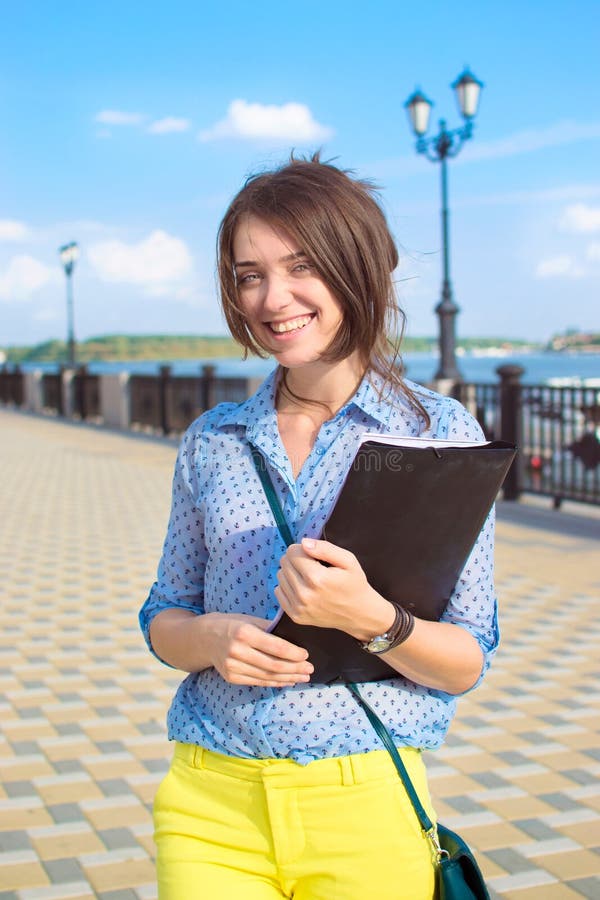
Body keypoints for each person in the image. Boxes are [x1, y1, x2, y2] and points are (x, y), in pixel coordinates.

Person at [139, 154, 498, 900]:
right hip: (211, 798)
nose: (273, 298)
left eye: (301, 267)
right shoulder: (216, 438)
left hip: (363, 803)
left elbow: (465, 660)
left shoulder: (440, 435)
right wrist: (212, 638)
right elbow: (163, 612)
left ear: (357, 268)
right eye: (248, 274)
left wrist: (372, 619)